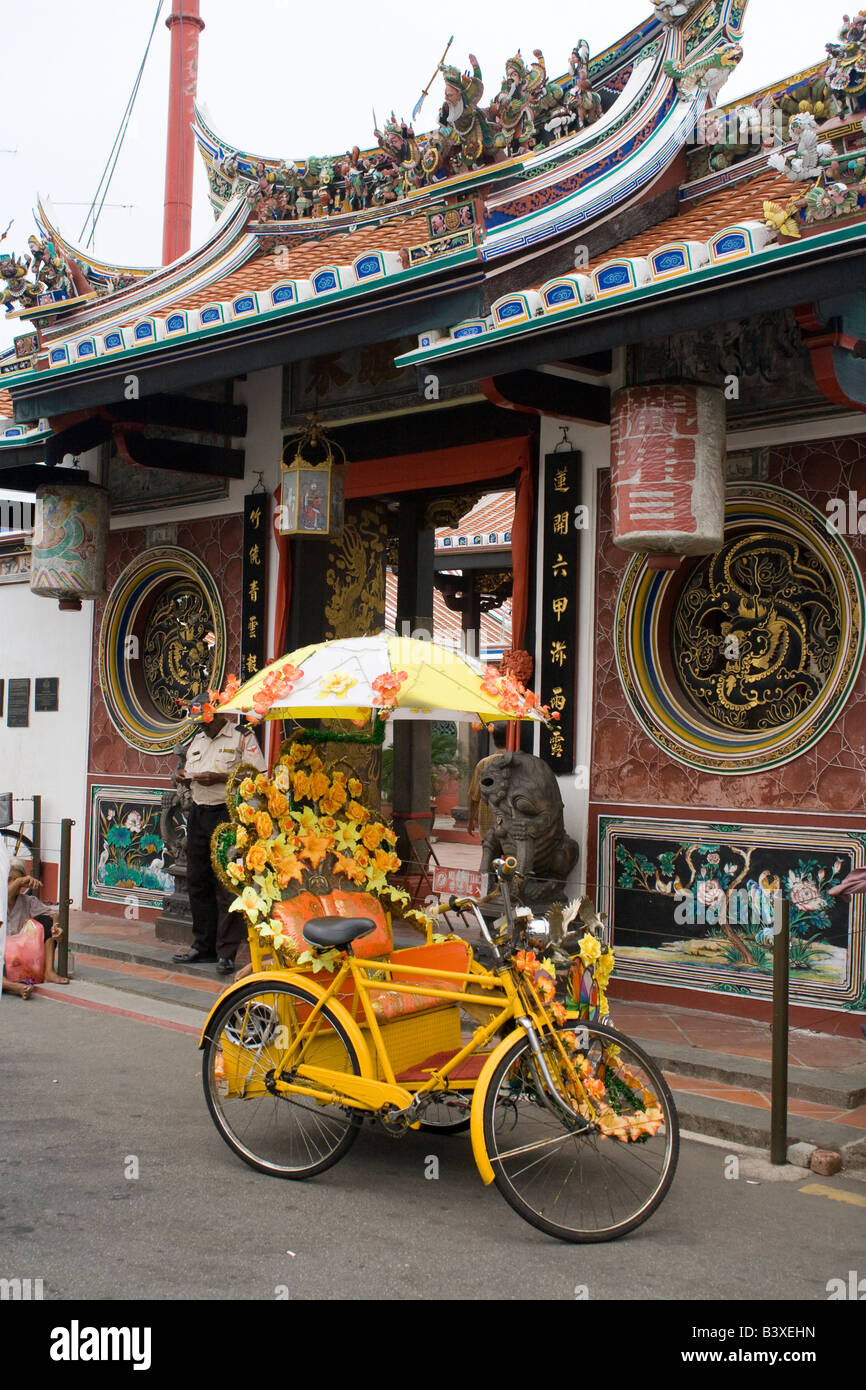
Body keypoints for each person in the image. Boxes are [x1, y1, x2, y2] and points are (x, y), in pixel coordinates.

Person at [172, 705, 266, 974]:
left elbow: (255, 774)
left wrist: (221, 778)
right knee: (197, 881)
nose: (201, 727)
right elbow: (189, 769)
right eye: (199, 723)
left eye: (204, 722)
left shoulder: (241, 735)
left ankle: (226, 952)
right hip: (199, 813)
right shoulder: (198, 739)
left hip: (227, 814)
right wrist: (184, 776)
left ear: (218, 716)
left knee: (227, 883)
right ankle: (203, 947)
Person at [2, 857, 69, 998]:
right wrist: (19, 881)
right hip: (2, 958)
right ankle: (13, 986)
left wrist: (55, 927)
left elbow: (52, 914)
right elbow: (4, 896)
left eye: (16, 880)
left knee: (47, 922)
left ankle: (49, 971)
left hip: (21, 959)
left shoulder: (28, 901)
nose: (13, 884)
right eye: (8, 880)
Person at [467, 723, 508, 840]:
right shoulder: (517, 762)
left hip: (488, 821)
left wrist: (470, 821)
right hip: (511, 821)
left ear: (494, 741)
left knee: (490, 854)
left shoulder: (484, 763)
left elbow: (475, 796)